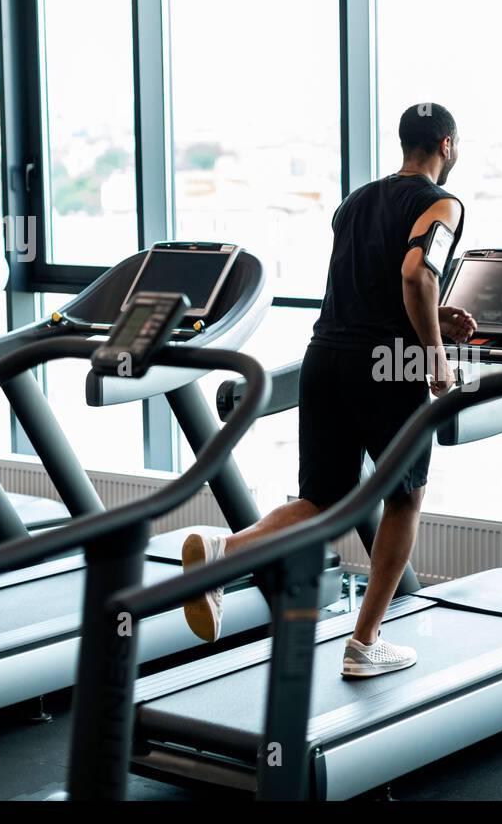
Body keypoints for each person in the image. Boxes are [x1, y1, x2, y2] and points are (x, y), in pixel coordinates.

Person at [182, 102, 476, 678]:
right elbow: (416, 273)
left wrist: (437, 317)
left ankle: (223, 554)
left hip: (326, 358)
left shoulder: (356, 201)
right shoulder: (443, 202)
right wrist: (437, 355)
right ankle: (365, 642)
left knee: (324, 500)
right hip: (385, 366)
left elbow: (375, 287)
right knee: (406, 497)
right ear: (446, 145)